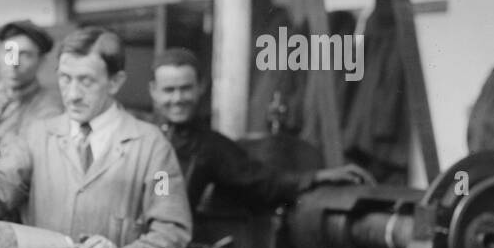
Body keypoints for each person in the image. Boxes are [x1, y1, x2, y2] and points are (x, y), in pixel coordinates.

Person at [0, 26, 191, 248]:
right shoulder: (37, 135)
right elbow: (1, 180)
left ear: (115, 82)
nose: (73, 94)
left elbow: (171, 229)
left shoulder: (152, 147)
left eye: (86, 81)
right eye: (65, 79)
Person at [148, 47, 373, 213]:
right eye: (169, 90)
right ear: (154, 92)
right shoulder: (136, 134)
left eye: (185, 89)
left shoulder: (211, 146)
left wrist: (318, 177)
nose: (177, 99)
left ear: (201, 87)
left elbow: (262, 180)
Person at [0, 19, 63, 148]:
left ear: (41, 61)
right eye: (8, 52)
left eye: (25, 55)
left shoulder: (49, 109)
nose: (14, 62)